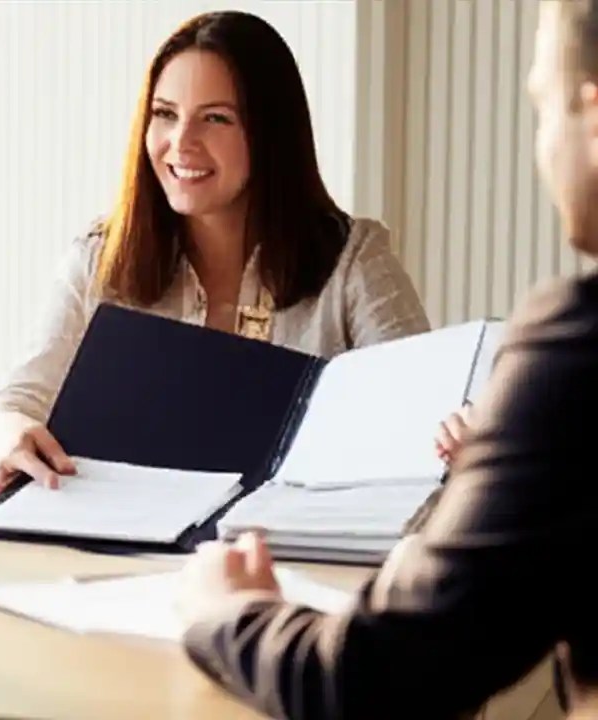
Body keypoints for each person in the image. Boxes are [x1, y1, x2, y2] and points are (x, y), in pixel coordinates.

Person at [175, 1, 598, 717]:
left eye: (543, 107)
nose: (542, 144)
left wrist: (231, 614)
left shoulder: (578, 350)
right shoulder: (100, 253)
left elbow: (378, 679)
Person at [0, 10, 430, 493]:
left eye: (216, 118)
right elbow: (15, 404)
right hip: (123, 551)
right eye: (165, 114)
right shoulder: (98, 258)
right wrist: (9, 435)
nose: (181, 143)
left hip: (288, 553)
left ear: (270, 134)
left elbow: (420, 411)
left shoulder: (355, 259)